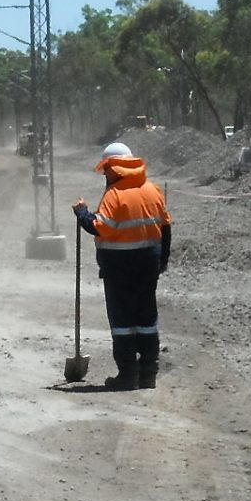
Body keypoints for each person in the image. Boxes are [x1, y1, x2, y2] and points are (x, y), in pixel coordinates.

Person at [72, 140, 172, 390]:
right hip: (148, 265)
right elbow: (166, 227)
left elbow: (98, 226)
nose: (105, 174)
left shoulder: (114, 196)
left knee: (122, 321)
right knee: (147, 318)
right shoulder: (153, 190)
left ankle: (128, 375)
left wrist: (82, 213)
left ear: (114, 168)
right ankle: (148, 375)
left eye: (106, 169)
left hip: (119, 269)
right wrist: (163, 260)